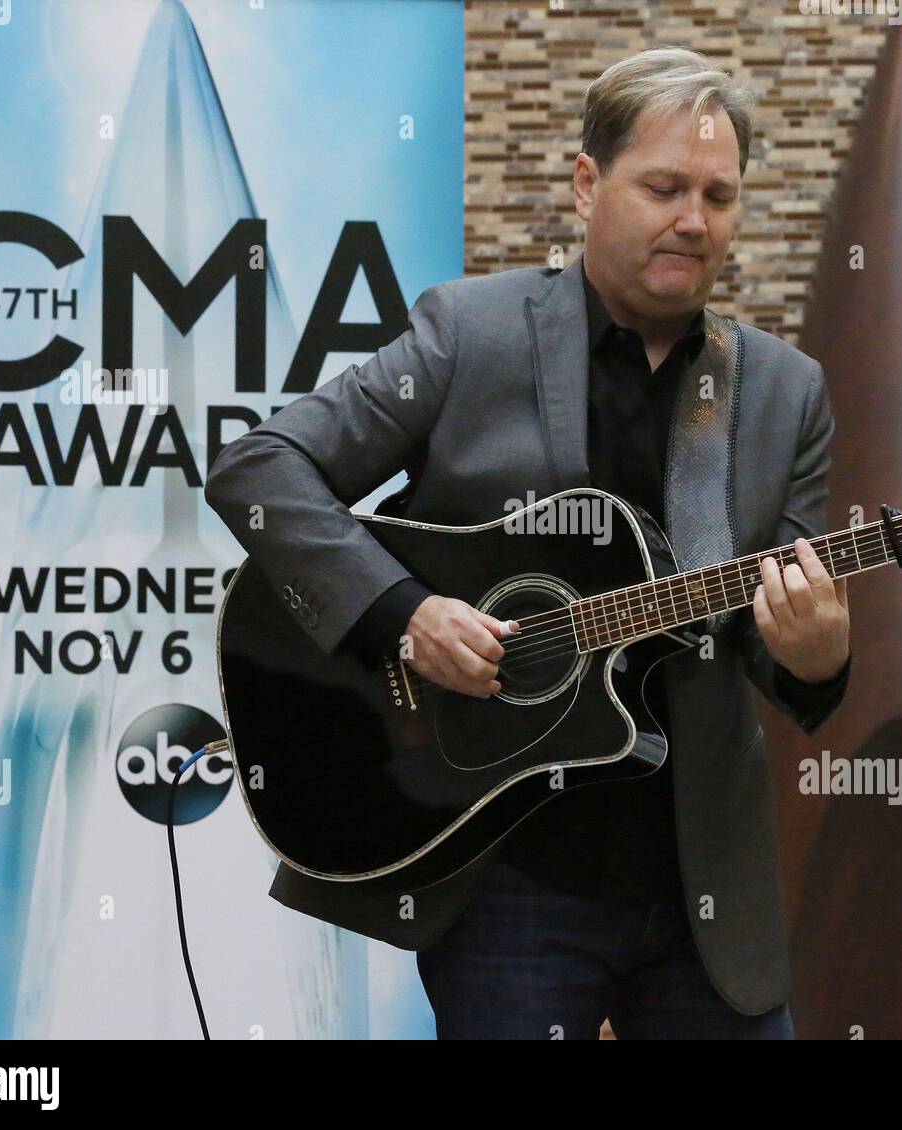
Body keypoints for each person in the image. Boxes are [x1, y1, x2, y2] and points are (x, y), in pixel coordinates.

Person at [205, 46, 850, 1040]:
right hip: (506, 878)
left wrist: (817, 658)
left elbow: (777, 641)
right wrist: (403, 614)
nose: (694, 219)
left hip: (702, 886)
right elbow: (259, 470)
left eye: (719, 195)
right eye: (665, 187)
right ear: (588, 184)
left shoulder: (780, 388)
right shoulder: (471, 333)